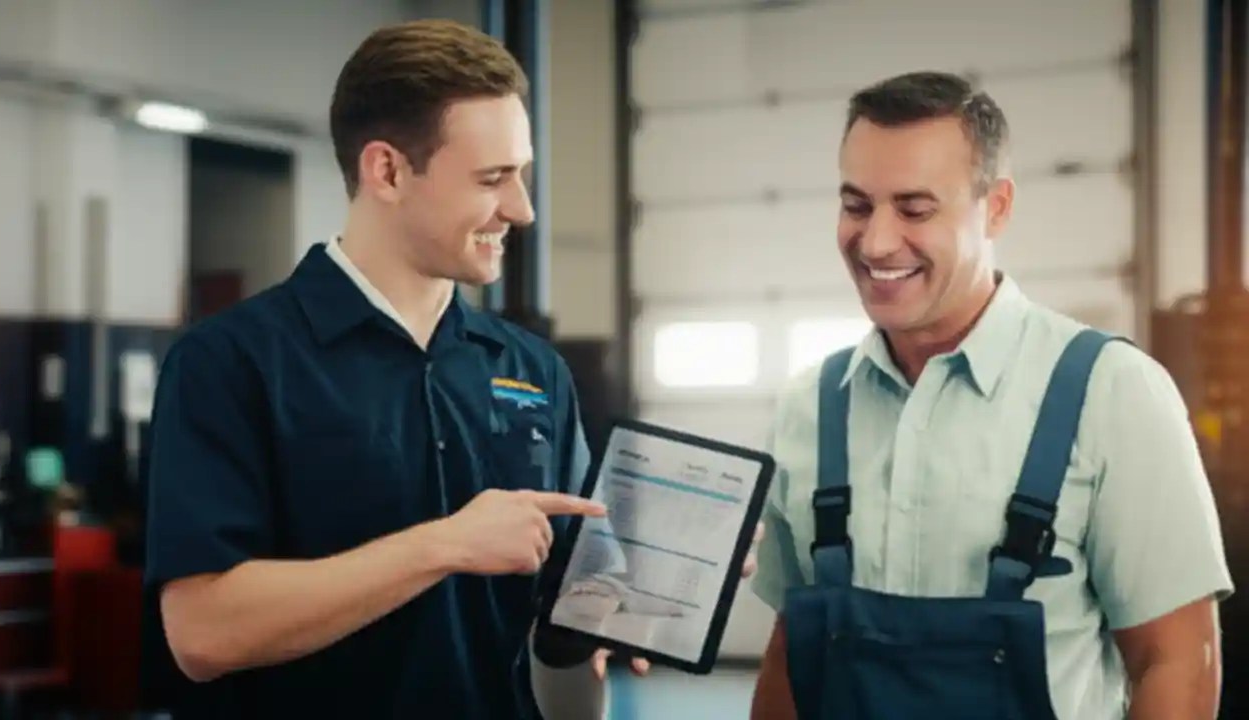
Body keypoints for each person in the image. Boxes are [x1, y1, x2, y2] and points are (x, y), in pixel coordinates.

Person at [144, 18, 738, 719]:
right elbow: (203, 633)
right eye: (493, 179)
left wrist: (647, 593)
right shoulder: (229, 363)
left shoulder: (531, 370)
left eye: (522, 174)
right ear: (388, 171)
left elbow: (566, 645)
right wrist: (446, 545)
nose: (521, 209)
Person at [749, 71, 1234, 720]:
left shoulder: (1115, 394)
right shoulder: (809, 406)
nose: (876, 241)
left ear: (997, 206)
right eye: (857, 205)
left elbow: (1177, 660)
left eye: (915, 208)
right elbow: (791, 653)